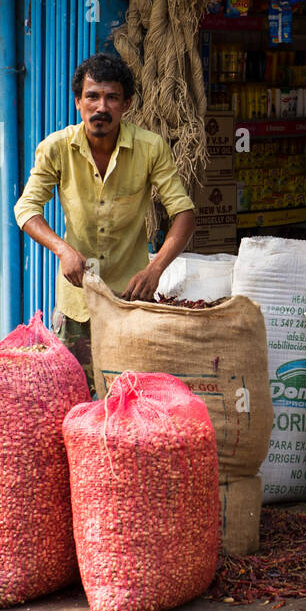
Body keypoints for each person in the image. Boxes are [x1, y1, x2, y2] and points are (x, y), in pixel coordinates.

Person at [14, 53, 195, 388]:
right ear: (78, 102)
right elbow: (26, 209)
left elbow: (183, 213)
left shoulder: (150, 148)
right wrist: (62, 250)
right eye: (92, 96)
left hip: (130, 298)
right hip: (76, 305)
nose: (101, 107)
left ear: (126, 104)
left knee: (128, 396)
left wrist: (156, 269)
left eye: (112, 97)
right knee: (73, 397)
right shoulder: (56, 148)